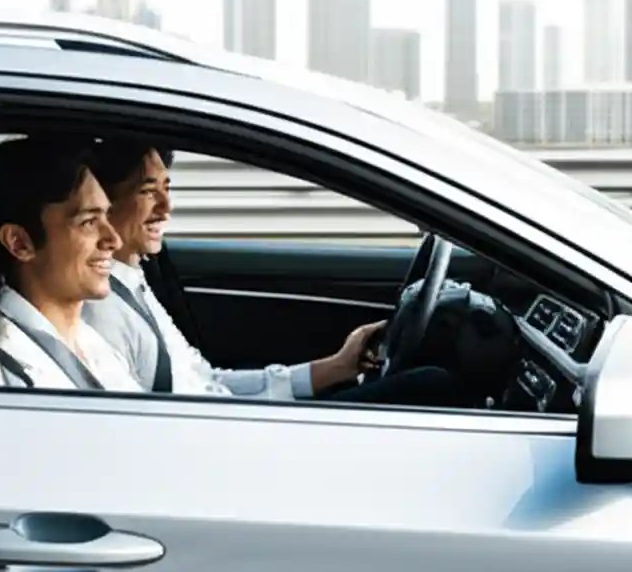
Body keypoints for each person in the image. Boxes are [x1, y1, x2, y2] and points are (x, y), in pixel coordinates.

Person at [82, 138, 469, 407]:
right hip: (227, 447)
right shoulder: (100, 309)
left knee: (428, 385)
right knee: (432, 387)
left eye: (168, 187)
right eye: (148, 190)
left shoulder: (131, 283)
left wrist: (335, 367)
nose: (167, 207)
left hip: (231, 426)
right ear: (102, 201)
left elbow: (207, 383)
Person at [0, 136, 145, 391]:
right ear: (20, 243)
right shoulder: (9, 370)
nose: (115, 240)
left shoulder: (87, 340)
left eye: (107, 217)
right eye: (88, 222)